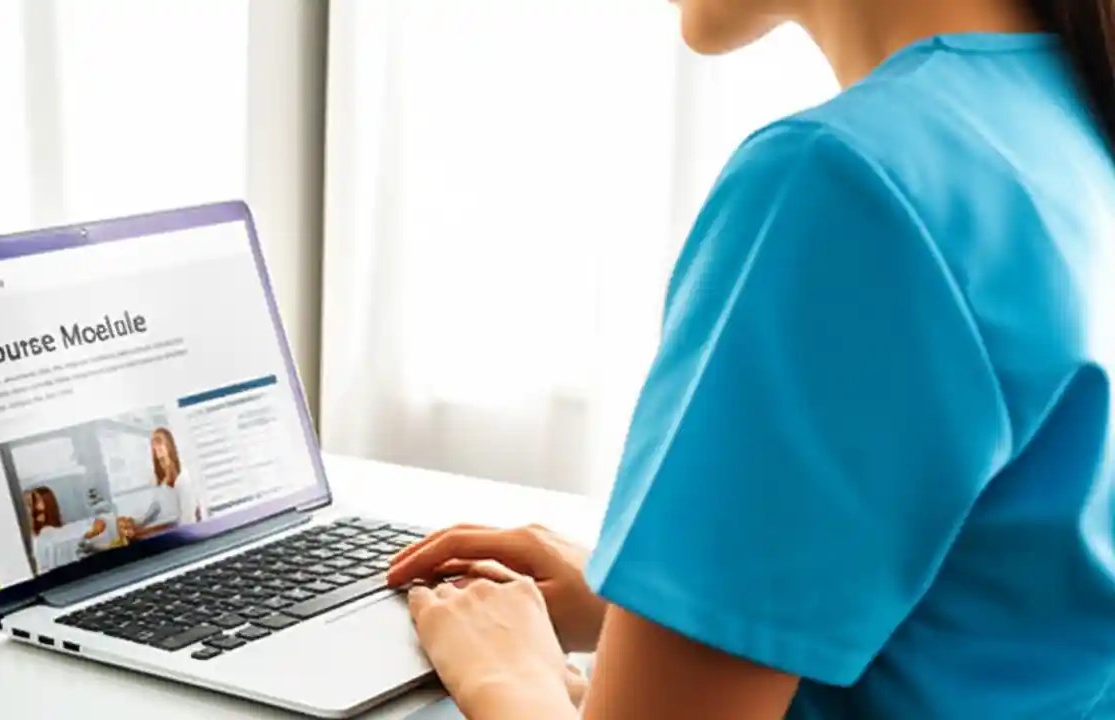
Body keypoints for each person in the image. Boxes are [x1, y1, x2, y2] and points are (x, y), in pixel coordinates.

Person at [386, 1, 1115, 718]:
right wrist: (650, 622)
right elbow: (999, 633)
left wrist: (510, 678)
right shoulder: (1064, 118)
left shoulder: (845, 185)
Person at [23, 486, 124, 574]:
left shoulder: (47, 535)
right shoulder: (43, 538)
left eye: (29, 505)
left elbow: (98, 527)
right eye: (29, 505)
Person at [151, 427, 202, 525]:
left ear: (168, 445)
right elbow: (155, 508)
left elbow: (188, 516)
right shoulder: (160, 480)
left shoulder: (182, 476)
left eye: (160, 443)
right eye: (154, 445)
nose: (157, 448)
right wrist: (136, 523)